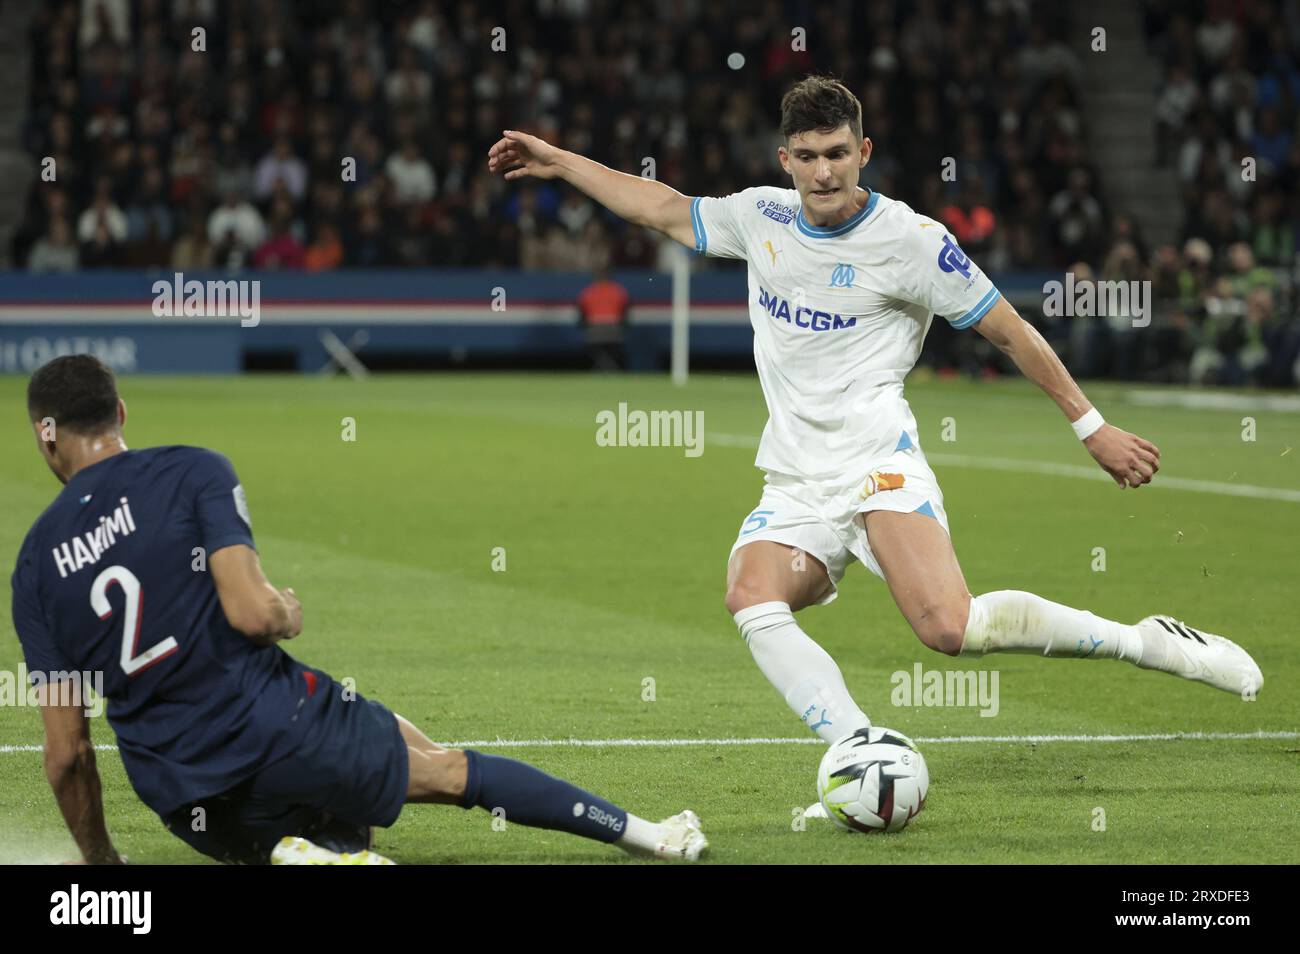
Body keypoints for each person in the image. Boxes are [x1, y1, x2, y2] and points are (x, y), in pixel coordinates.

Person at [487, 75, 1263, 766]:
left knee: (949, 631)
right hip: (796, 475)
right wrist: (558, 160)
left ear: (863, 150)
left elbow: (1009, 330)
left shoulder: (914, 243)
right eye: (806, 155)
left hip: (876, 461)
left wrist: (1089, 425)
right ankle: (859, 746)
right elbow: (658, 205)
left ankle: (1146, 641)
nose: (823, 171)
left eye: (836, 153)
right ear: (783, 159)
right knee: (750, 596)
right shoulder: (760, 218)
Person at [13, 355, 706, 864]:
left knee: (310, 820)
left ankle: (300, 852)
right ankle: (650, 836)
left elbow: (67, 753)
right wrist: (285, 610)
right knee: (442, 770)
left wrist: (102, 864)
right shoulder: (192, 471)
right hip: (275, 726)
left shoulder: (35, 565)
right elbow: (253, 615)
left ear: (47, 436)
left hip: (181, 795)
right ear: (122, 413)